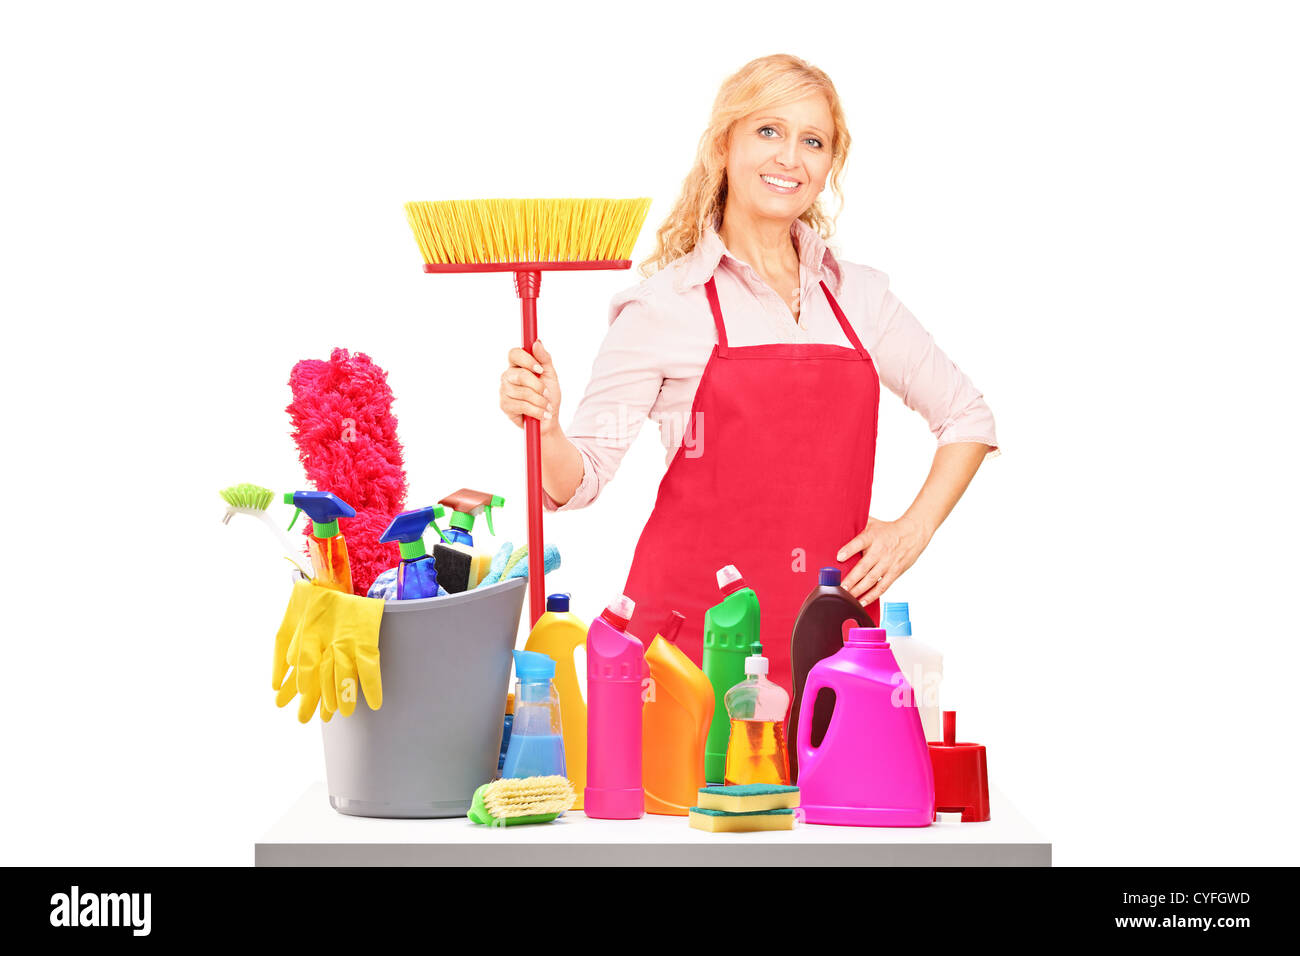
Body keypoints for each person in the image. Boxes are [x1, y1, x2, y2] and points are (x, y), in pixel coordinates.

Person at [498, 54, 997, 693]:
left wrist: (911, 531)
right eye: (768, 131)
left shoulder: (860, 300)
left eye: (812, 141)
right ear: (723, 145)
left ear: (828, 169)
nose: (790, 157)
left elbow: (967, 417)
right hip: (690, 658)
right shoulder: (664, 306)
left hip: (830, 644)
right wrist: (544, 427)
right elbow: (581, 479)